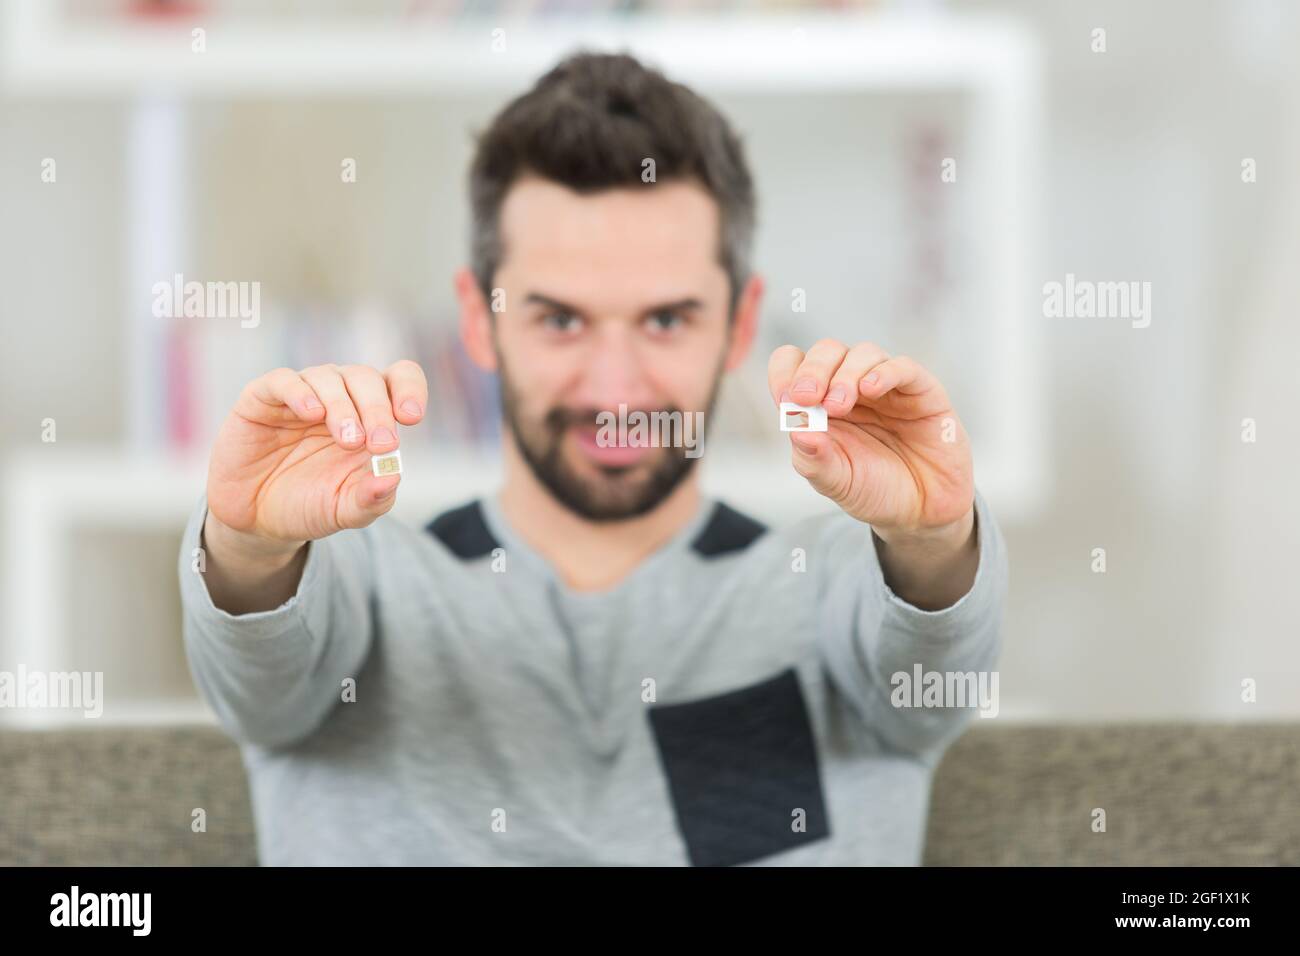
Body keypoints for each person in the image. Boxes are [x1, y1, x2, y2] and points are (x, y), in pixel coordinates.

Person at [178, 51, 1007, 866]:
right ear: (479, 319)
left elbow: (922, 665)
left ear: (741, 325)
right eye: (561, 321)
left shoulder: (835, 589)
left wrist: (933, 541)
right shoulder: (362, 585)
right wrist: (251, 551)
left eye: (667, 320)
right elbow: (267, 679)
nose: (615, 386)